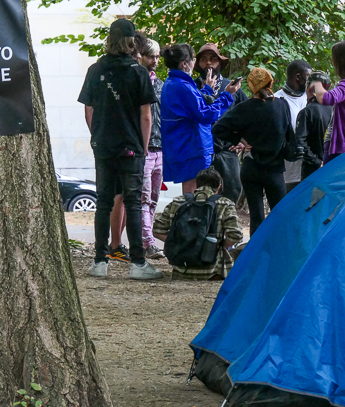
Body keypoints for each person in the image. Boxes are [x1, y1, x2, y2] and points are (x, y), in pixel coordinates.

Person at [77, 18, 163, 280]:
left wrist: (98, 137)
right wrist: (143, 146)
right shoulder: (137, 72)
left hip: (103, 145)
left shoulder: (95, 70)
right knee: (133, 202)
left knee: (103, 202)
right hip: (131, 147)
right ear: (131, 42)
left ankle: (100, 261)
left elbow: (88, 110)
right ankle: (137, 263)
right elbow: (145, 115)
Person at [212, 67, 294, 235]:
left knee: (256, 217)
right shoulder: (281, 105)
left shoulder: (245, 108)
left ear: (250, 87)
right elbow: (289, 136)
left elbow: (218, 128)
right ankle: (279, 252)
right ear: (271, 83)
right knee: (281, 216)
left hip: (251, 168)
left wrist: (240, 140)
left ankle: (255, 257)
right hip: (275, 169)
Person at [160, 44, 241, 194]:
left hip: (188, 147)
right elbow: (205, 114)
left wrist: (207, 90)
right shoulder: (182, 86)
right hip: (191, 148)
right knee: (193, 196)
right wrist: (227, 95)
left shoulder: (176, 83)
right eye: (193, 60)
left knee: (196, 195)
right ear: (185, 64)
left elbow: (193, 106)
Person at [153, 167, 244, 280]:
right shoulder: (224, 204)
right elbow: (236, 235)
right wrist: (218, 247)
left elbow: (157, 230)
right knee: (245, 247)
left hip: (182, 272)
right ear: (219, 186)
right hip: (213, 273)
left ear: (196, 184)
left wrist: (177, 243)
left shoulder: (178, 201)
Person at [137, 38, 165, 259]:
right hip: (142, 148)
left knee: (153, 198)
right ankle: (147, 242)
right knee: (143, 198)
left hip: (160, 148)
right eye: (150, 56)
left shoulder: (161, 85)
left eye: (157, 56)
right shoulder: (135, 80)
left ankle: (147, 239)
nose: (155, 60)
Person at [274, 60, 311, 192]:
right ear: (298, 77)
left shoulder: (311, 99)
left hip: (308, 169)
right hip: (285, 172)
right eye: (308, 77)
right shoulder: (275, 100)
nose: (311, 82)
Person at [296, 71, 333, 179]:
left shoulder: (307, 112)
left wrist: (316, 162)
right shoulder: (334, 109)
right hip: (331, 166)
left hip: (312, 169)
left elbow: (300, 142)